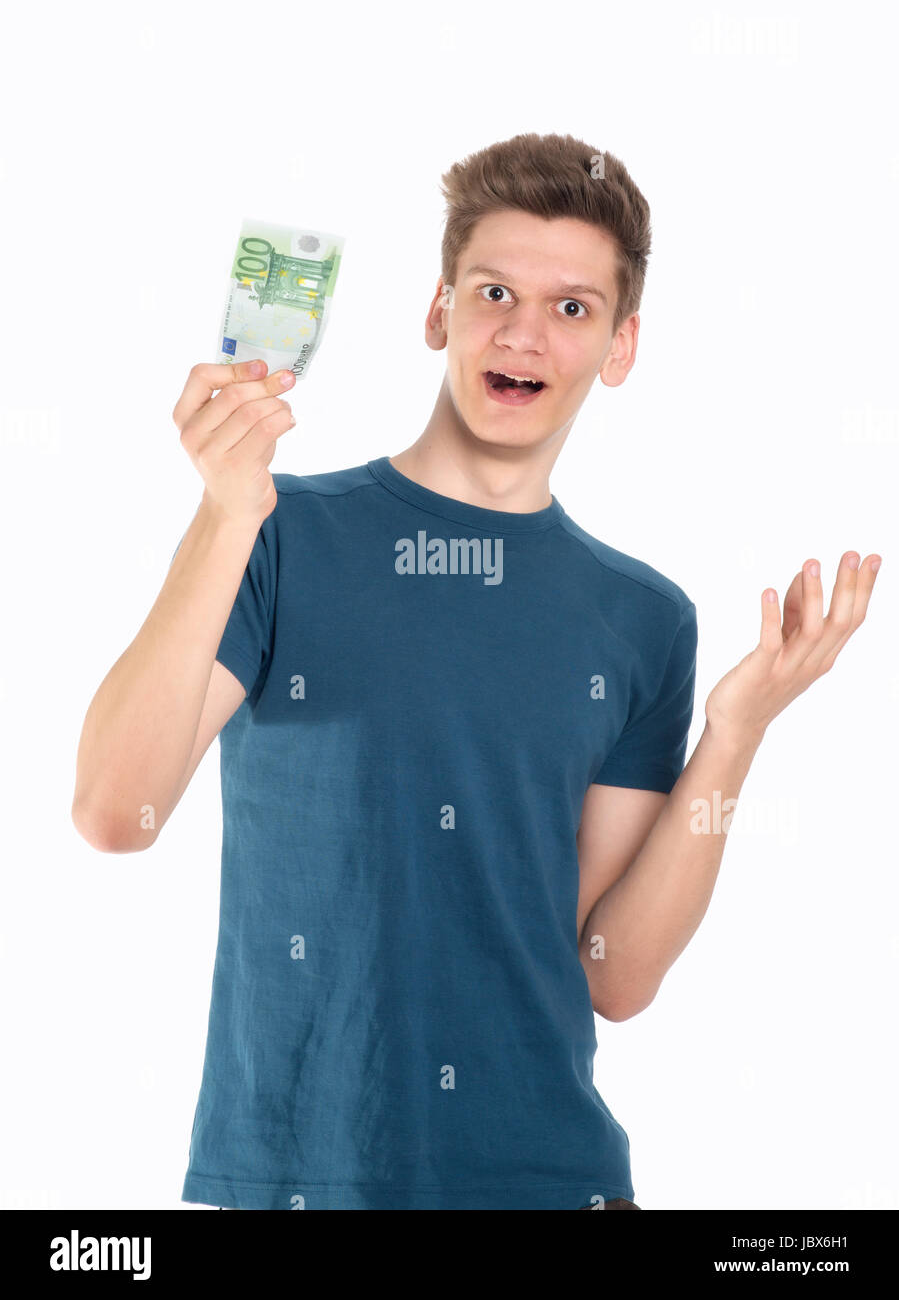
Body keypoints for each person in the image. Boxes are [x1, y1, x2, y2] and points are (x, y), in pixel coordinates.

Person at [71, 132, 880, 1210]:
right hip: (295, 1181)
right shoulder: (276, 534)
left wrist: (734, 735)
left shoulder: (642, 618)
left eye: (572, 308)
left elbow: (613, 973)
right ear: (437, 310)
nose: (523, 333)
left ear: (620, 346)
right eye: (493, 290)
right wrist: (225, 512)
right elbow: (113, 812)